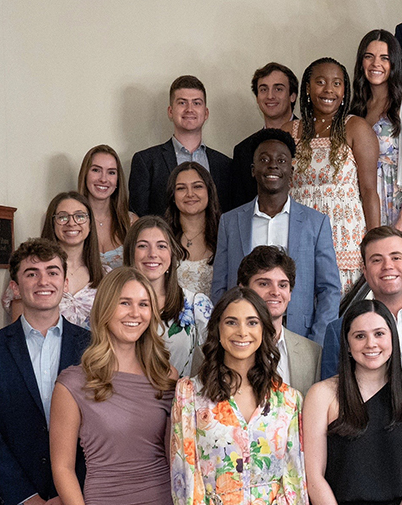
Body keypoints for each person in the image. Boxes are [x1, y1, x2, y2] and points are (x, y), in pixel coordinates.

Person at [0, 239, 93, 505]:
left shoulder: (92, 347)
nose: (43, 281)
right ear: (15, 287)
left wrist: (70, 493)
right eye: (32, 273)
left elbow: (101, 427)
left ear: (65, 284)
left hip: (78, 495)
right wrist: (26, 497)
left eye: (52, 272)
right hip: (9, 496)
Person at [51, 267, 177, 505]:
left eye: (143, 304)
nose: (135, 313)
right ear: (105, 308)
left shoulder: (167, 377)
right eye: (125, 303)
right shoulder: (73, 384)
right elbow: (63, 468)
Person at [171, 287, 308, 504]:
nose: (242, 332)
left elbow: (294, 481)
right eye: (231, 322)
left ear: (264, 329)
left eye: (252, 322)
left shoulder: (289, 400)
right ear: (218, 328)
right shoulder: (189, 394)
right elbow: (185, 478)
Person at [212, 129, 342, 342]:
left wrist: (317, 342)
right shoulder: (230, 222)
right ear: (253, 170)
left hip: (299, 337)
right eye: (264, 159)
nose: (273, 165)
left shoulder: (316, 223)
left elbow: (329, 289)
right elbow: (219, 288)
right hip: (241, 338)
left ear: (291, 170)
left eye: (281, 160)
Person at [302, 299, 402, 505]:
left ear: (393, 339)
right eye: (360, 336)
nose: (371, 344)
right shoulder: (321, 395)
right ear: (348, 345)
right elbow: (314, 476)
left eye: (379, 334)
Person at [321, 226, 402, 394]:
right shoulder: (338, 330)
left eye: (396, 257)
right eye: (377, 260)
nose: (387, 266)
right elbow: (331, 398)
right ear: (366, 272)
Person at [291, 57, 381, 290]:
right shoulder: (289, 132)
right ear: (308, 89)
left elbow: (370, 191)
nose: (329, 89)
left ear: (344, 91)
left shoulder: (356, 127)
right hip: (299, 236)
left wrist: (376, 248)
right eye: (320, 82)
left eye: (337, 83)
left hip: (345, 238)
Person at [355, 29, 402, 299]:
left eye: (384, 58)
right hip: (362, 205)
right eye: (369, 56)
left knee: (399, 285)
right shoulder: (356, 108)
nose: (376, 64)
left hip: (397, 204)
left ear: (394, 63)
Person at [129, 75, 236, 216]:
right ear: (170, 112)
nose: (189, 109)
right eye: (182, 103)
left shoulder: (225, 165)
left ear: (206, 113)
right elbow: (139, 221)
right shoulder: (146, 162)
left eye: (197, 103)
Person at [125, 215, 213, 376]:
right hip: (126, 397)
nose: (153, 254)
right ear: (131, 253)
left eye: (161, 246)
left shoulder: (196, 304)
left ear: (172, 254)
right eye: (143, 246)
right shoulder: (113, 302)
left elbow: (216, 359)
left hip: (179, 398)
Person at [1, 191, 105, 326]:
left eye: (80, 216)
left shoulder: (105, 275)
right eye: (62, 217)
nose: (72, 223)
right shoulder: (30, 270)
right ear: (52, 223)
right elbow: (19, 332)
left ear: (90, 224)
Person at [232, 245, 323, 391]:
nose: (275, 292)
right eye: (264, 283)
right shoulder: (211, 351)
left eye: (282, 285)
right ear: (243, 289)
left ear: (290, 293)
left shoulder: (313, 353)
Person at [230, 63, 300, 208]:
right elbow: (240, 206)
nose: (270, 96)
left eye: (278, 89)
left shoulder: (312, 139)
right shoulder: (243, 150)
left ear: (292, 96)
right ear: (257, 97)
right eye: (263, 89)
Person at [167, 162, 221, 301]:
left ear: (209, 191)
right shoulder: (162, 235)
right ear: (173, 196)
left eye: (197, 186)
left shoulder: (225, 233)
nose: (190, 194)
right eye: (181, 188)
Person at [79, 144, 136, 269]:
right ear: (85, 174)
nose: (103, 179)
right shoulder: (72, 221)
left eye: (111, 172)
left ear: (118, 180)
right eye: (96, 170)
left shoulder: (131, 222)